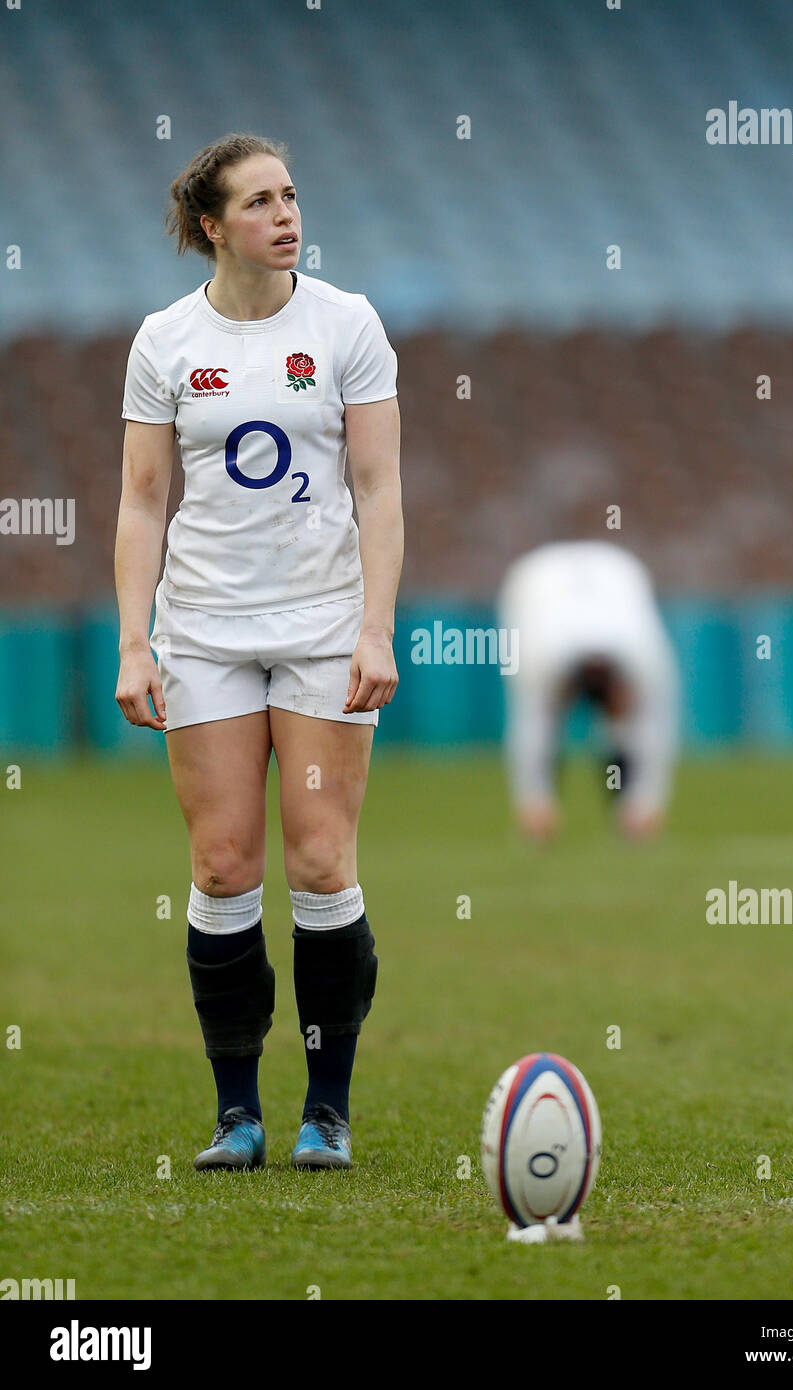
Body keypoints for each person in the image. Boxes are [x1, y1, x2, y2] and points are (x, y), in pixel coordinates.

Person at [114, 133, 402, 1173]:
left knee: (321, 859)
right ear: (210, 225)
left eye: (292, 194)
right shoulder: (162, 342)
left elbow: (379, 489)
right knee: (224, 862)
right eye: (261, 202)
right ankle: (237, 1112)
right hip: (206, 630)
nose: (286, 216)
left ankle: (329, 1109)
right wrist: (134, 640)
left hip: (325, 626)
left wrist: (376, 625)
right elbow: (144, 500)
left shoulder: (348, 326)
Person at [498, 541, 678, 841]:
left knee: (625, 730)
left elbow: (656, 728)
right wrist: (534, 802)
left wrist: (645, 804)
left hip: (616, 571)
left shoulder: (646, 663)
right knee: (544, 719)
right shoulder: (539, 659)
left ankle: (624, 807)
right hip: (534, 582)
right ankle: (554, 808)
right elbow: (531, 727)